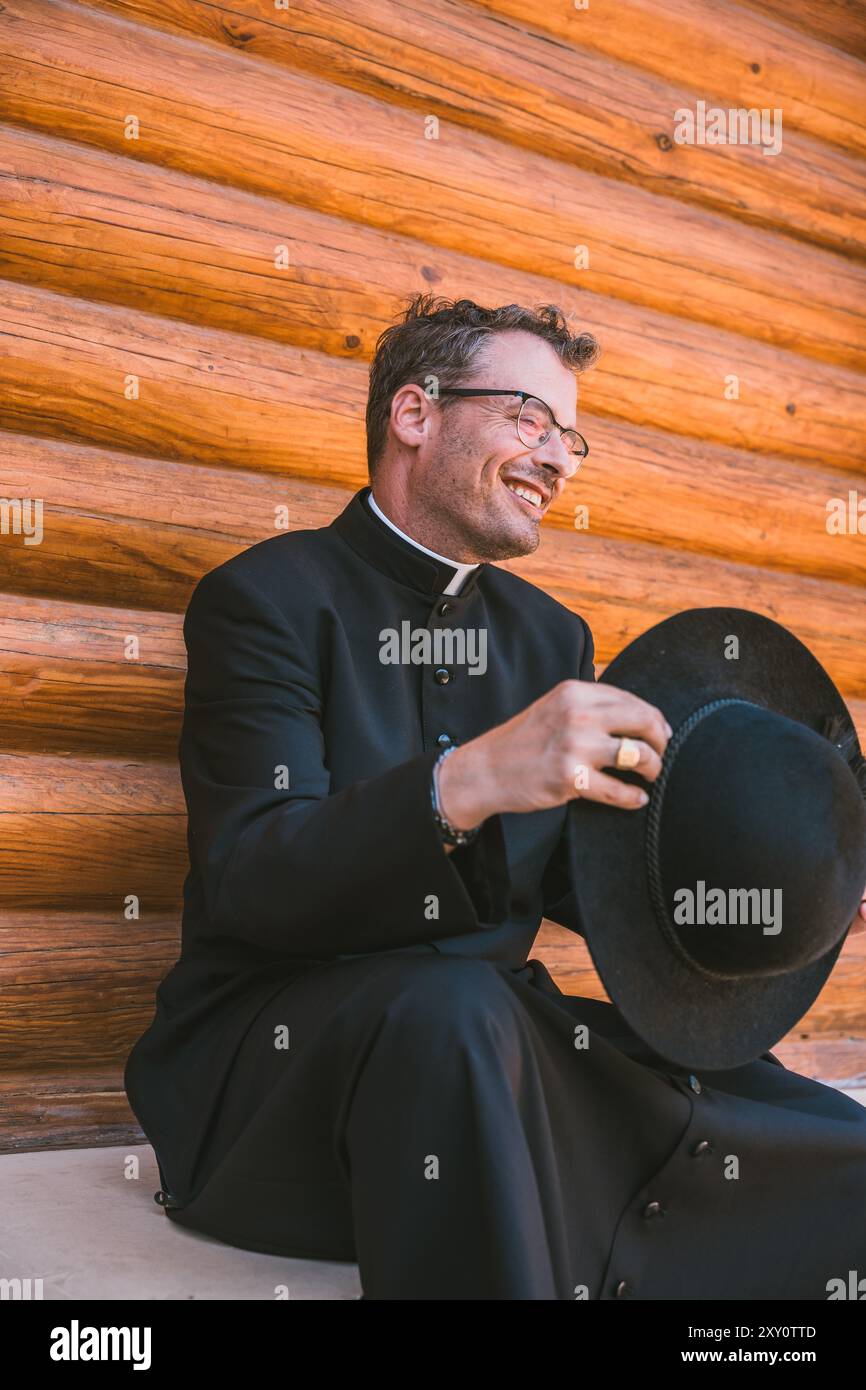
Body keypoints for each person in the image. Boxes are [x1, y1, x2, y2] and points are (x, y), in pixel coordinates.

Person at [124, 295, 866, 1299]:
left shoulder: (548, 637)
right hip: (275, 1083)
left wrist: (781, 875)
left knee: (816, 1133)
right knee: (456, 1009)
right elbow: (252, 875)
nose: (557, 458)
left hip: (490, 1052)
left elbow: (584, 876)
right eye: (528, 418)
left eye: (570, 437)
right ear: (414, 414)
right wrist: (464, 781)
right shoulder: (267, 600)